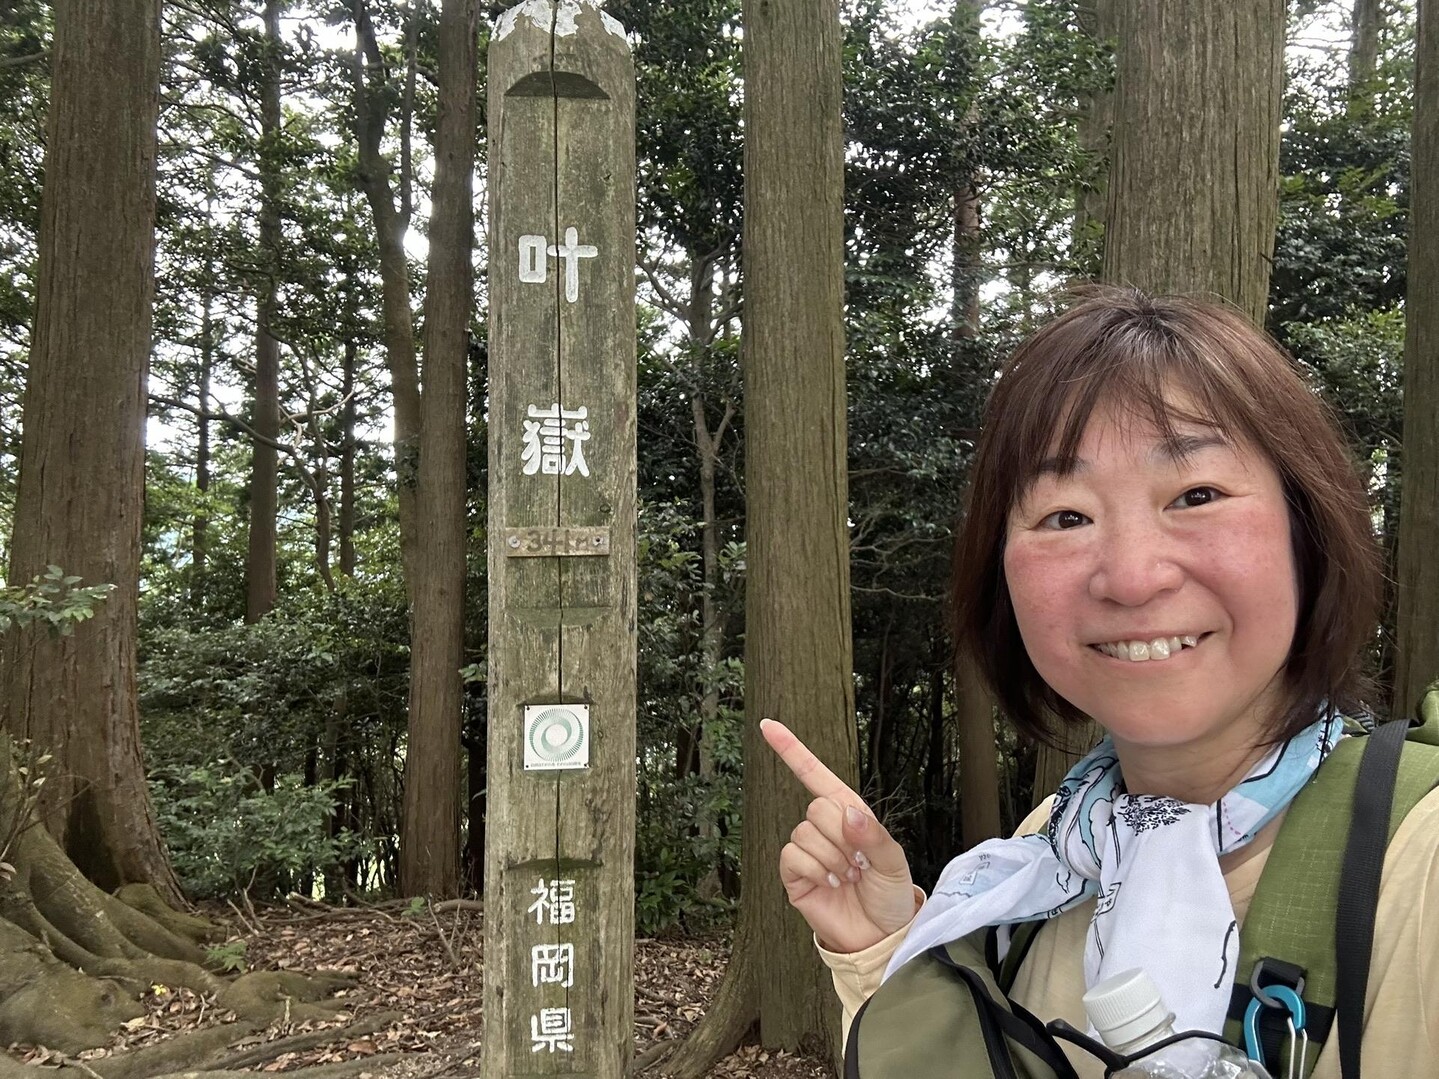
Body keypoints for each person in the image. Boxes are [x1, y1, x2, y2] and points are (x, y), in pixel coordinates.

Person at [761, 289, 1439, 1079]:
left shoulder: (1414, 862)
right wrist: (883, 949)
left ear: (1305, 526)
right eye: (1065, 516)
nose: (1129, 577)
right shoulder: (1051, 846)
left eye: (1195, 495)